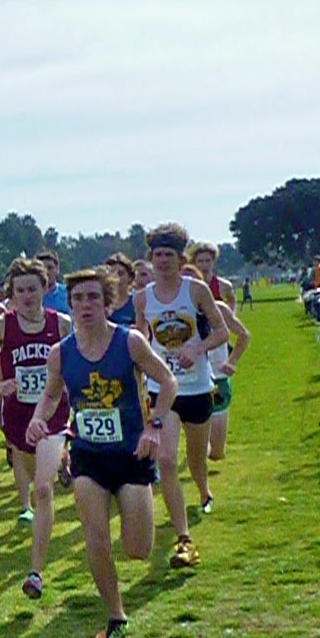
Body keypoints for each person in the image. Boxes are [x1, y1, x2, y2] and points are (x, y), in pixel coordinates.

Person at [29, 269, 176, 638]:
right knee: (96, 539)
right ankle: (116, 614)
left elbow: (167, 381)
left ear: (107, 302)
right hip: (88, 457)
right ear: (69, 304)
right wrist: (38, 419)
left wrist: (154, 425)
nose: (85, 305)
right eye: (78, 298)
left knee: (137, 548)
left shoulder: (130, 342)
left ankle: (139, 528)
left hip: (131, 454)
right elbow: (50, 394)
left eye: (94, 297)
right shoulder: (60, 353)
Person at [0, 257, 71, 598]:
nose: (27, 295)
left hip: (54, 415)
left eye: (33, 288)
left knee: (43, 489)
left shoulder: (62, 325)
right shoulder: (2, 326)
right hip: (17, 418)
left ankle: (35, 572)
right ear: (11, 293)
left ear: (45, 288)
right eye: (20, 290)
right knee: (30, 478)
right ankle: (60, 464)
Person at [134, 224, 227, 566]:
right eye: (157, 255)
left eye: (168, 256)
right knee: (167, 460)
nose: (162, 262)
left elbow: (220, 330)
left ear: (179, 258)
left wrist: (198, 346)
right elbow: (142, 338)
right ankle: (184, 538)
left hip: (198, 386)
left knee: (196, 458)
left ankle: (203, 490)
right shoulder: (142, 297)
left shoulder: (196, 291)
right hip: (164, 390)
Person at [189, 244, 250, 463]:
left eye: (208, 261)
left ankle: (207, 446)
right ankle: (197, 451)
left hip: (218, 369)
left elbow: (241, 330)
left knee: (217, 453)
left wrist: (231, 360)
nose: (204, 266)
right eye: (200, 261)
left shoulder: (221, 289)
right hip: (191, 374)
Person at [38, 248, 70, 315]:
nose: (46, 272)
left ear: (57, 269)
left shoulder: (68, 293)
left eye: (50, 268)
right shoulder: (31, 295)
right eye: (42, 269)